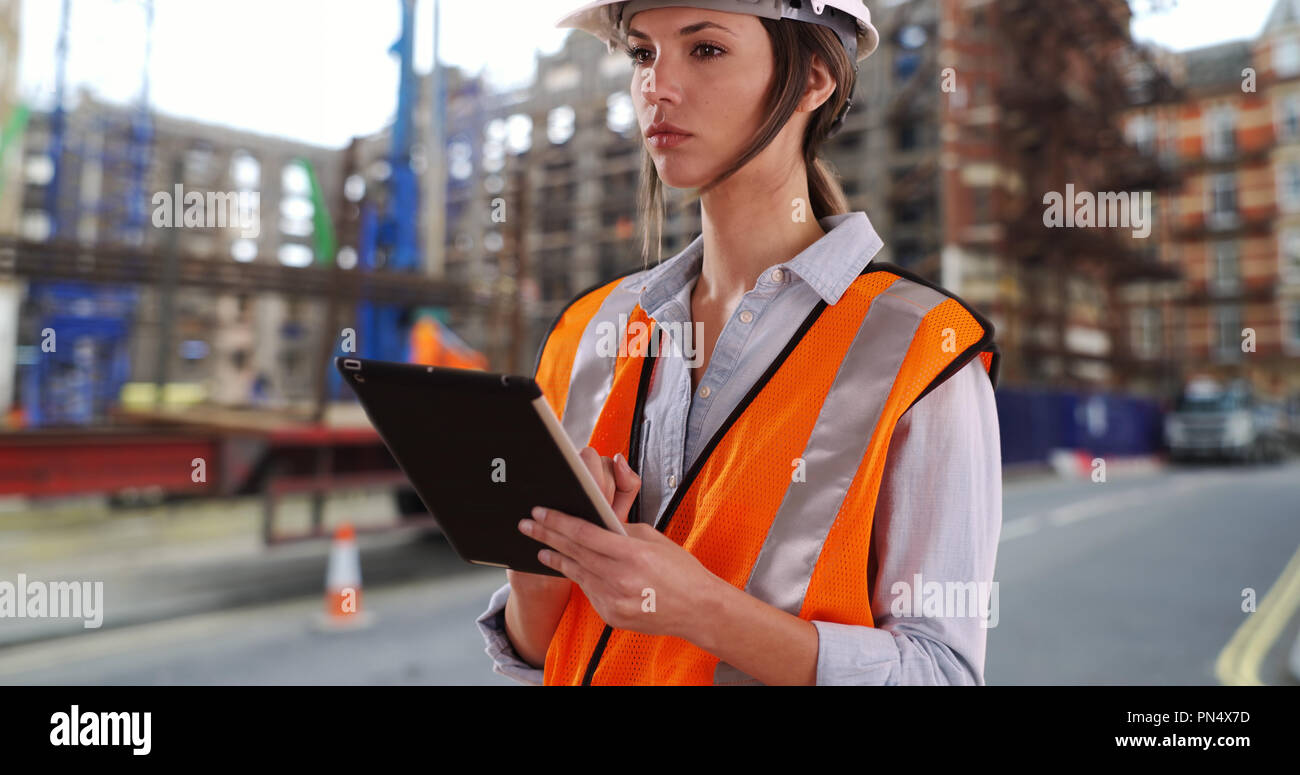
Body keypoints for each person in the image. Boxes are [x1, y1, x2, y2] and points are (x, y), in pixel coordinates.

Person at [476, 0, 1003, 685]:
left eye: (706, 50)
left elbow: (942, 674)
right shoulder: (588, 332)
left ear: (814, 77)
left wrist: (702, 609)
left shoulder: (919, 348)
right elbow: (544, 655)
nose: (656, 87)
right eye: (642, 53)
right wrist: (536, 576)